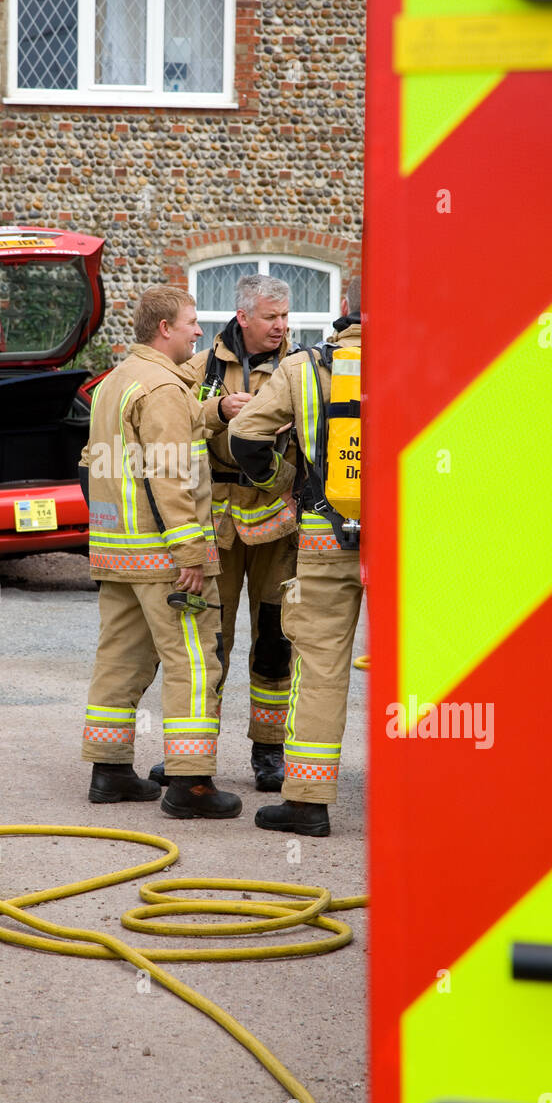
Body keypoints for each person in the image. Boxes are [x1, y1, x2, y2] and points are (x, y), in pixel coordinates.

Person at [80, 285, 242, 819]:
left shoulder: (118, 382)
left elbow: (97, 462)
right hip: (168, 559)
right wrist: (191, 554)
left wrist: (216, 408)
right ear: (164, 328)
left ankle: (110, 771)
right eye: (192, 323)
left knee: (120, 658)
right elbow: (171, 473)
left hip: (118, 553)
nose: (200, 332)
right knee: (195, 662)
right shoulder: (163, 392)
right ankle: (190, 785)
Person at [150, 274, 299, 793]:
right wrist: (217, 411)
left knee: (274, 644)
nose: (280, 326)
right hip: (218, 526)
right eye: (270, 317)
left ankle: (268, 751)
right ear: (243, 318)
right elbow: (172, 417)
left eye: (284, 317)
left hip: (277, 528)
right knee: (208, 642)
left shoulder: (298, 366)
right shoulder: (202, 366)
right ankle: (194, 760)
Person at [229, 278, 363, 836]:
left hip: (327, 536)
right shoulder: (436, 357)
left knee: (320, 664)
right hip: (411, 542)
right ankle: (433, 799)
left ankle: (307, 801)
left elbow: (244, 436)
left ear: (343, 310)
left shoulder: (303, 368)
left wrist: (286, 479)